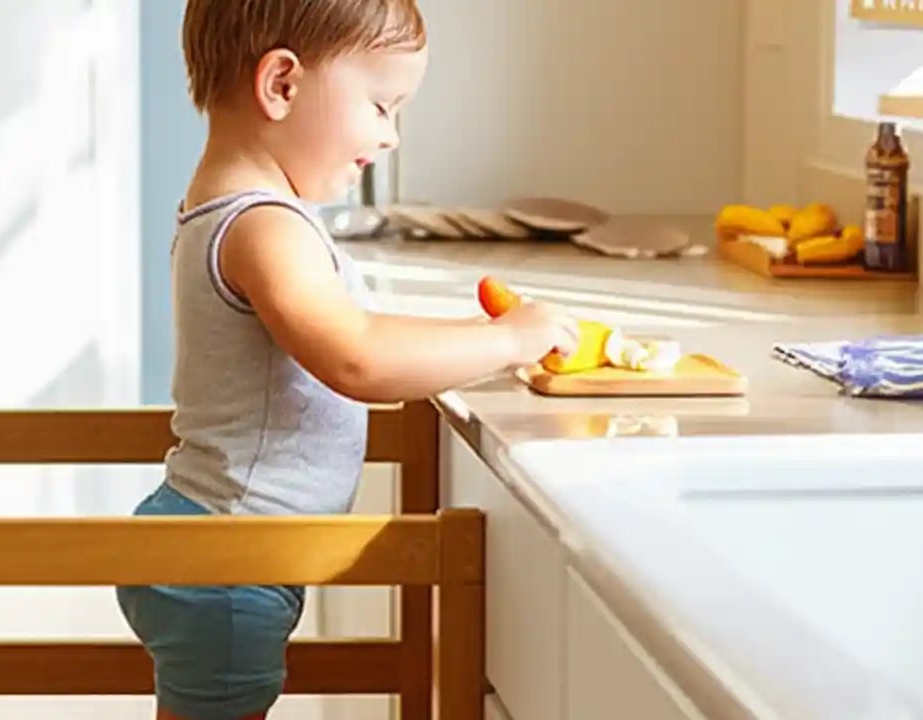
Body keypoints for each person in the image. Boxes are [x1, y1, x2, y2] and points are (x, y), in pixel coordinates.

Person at [116, 1, 581, 718]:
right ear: (282, 85)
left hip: (222, 547)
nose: (391, 136)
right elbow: (355, 358)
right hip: (229, 560)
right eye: (381, 105)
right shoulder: (264, 225)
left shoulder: (234, 208)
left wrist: (465, 337)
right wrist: (509, 340)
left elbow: (356, 334)